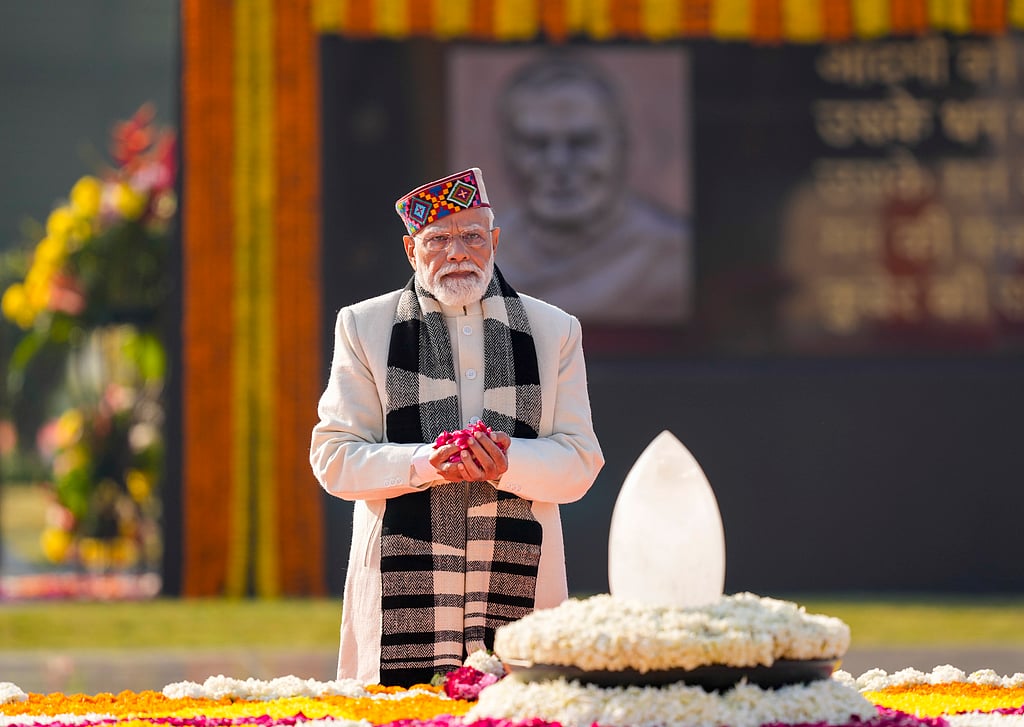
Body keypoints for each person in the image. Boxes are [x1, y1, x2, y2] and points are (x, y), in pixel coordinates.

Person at [310, 167, 604, 687]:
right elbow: (334, 459)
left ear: (493, 241)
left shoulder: (554, 329)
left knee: (521, 716)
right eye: (438, 239)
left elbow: (580, 462)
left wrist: (509, 463)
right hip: (398, 597)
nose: (457, 253)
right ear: (410, 250)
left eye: (471, 236)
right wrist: (426, 463)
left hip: (525, 593)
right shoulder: (364, 326)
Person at [494, 55, 693, 325]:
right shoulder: (486, 257)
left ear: (623, 147)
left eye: (582, 142)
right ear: (507, 153)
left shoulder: (667, 253)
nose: (558, 164)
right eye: (536, 144)